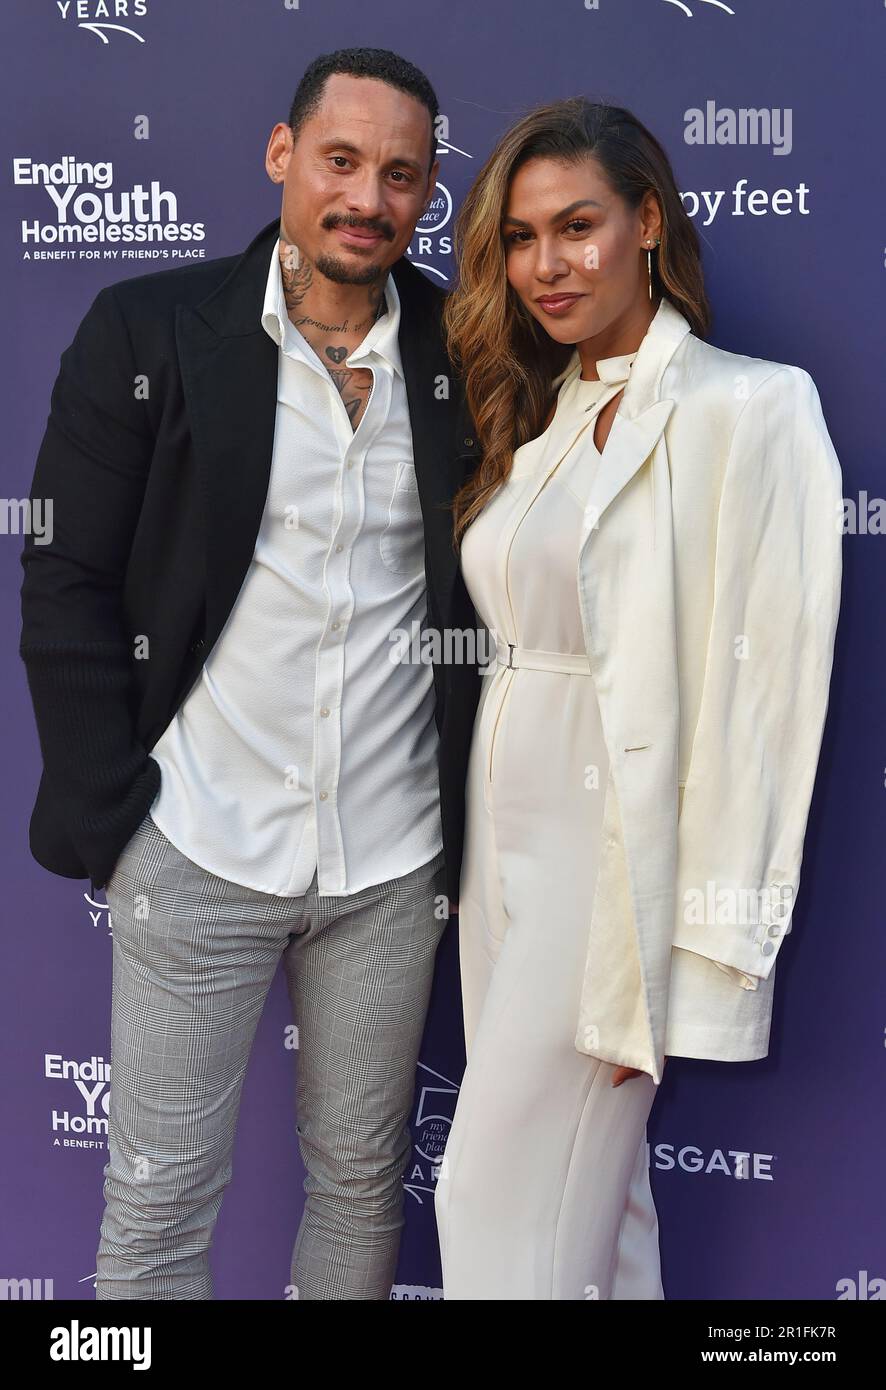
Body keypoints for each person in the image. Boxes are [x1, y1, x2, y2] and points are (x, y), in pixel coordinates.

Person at [19, 47, 483, 1300]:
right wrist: (127, 814)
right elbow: (66, 586)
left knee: (358, 1179)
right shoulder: (150, 328)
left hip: (392, 858)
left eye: (399, 174)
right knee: (159, 1198)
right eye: (340, 162)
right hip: (197, 839)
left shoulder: (468, 346)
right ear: (283, 157)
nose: (367, 198)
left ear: (427, 190)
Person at [433, 98, 843, 1300]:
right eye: (518, 238)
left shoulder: (748, 408)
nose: (545, 266)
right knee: (595, 1218)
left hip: (614, 866)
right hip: (499, 851)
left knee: (495, 1203)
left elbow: (763, 703)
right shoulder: (540, 414)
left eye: (577, 227)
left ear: (648, 222)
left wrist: (700, 951)